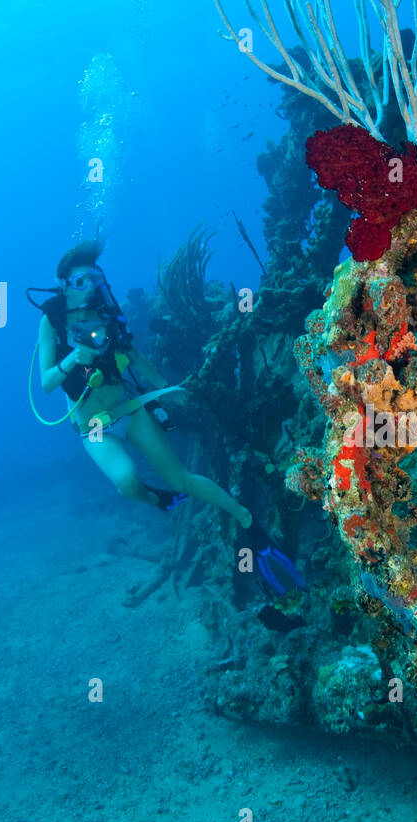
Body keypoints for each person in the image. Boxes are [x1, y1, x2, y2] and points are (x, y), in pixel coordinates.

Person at [29, 240, 305, 594]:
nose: (90, 288)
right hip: (92, 425)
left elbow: (137, 358)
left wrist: (170, 388)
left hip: (128, 407)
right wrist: (72, 360)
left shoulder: (107, 311)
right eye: (81, 281)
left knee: (183, 478)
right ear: (65, 283)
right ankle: (157, 500)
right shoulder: (51, 320)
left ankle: (249, 522)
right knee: (127, 482)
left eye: (95, 278)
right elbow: (47, 383)